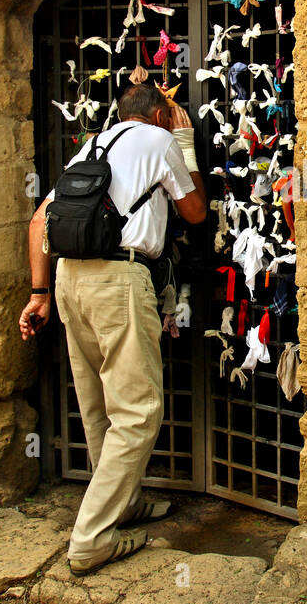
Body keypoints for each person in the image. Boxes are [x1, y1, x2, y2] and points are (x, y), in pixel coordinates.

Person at [19, 82, 206, 576]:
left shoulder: (93, 145)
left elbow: (40, 222)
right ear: (161, 114)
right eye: (171, 112)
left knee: (98, 405)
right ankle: (91, 539)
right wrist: (184, 145)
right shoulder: (161, 140)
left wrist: (38, 294)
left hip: (66, 282)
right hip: (119, 280)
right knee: (139, 411)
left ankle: (123, 506)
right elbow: (196, 211)